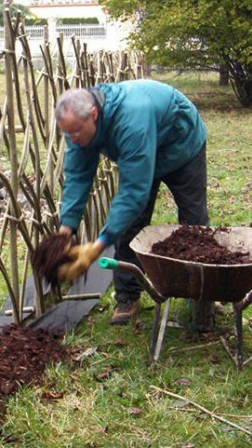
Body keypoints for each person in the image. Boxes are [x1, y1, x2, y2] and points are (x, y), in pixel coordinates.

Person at [56, 80, 208, 324]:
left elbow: (133, 191)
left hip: (181, 145)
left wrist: (98, 246)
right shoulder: (77, 126)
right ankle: (127, 297)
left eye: (75, 132)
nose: (71, 139)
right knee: (130, 226)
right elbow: (77, 177)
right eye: (67, 133)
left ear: (93, 114)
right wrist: (65, 231)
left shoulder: (131, 117)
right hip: (142, 147)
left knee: (193, 221)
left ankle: (201, 292)